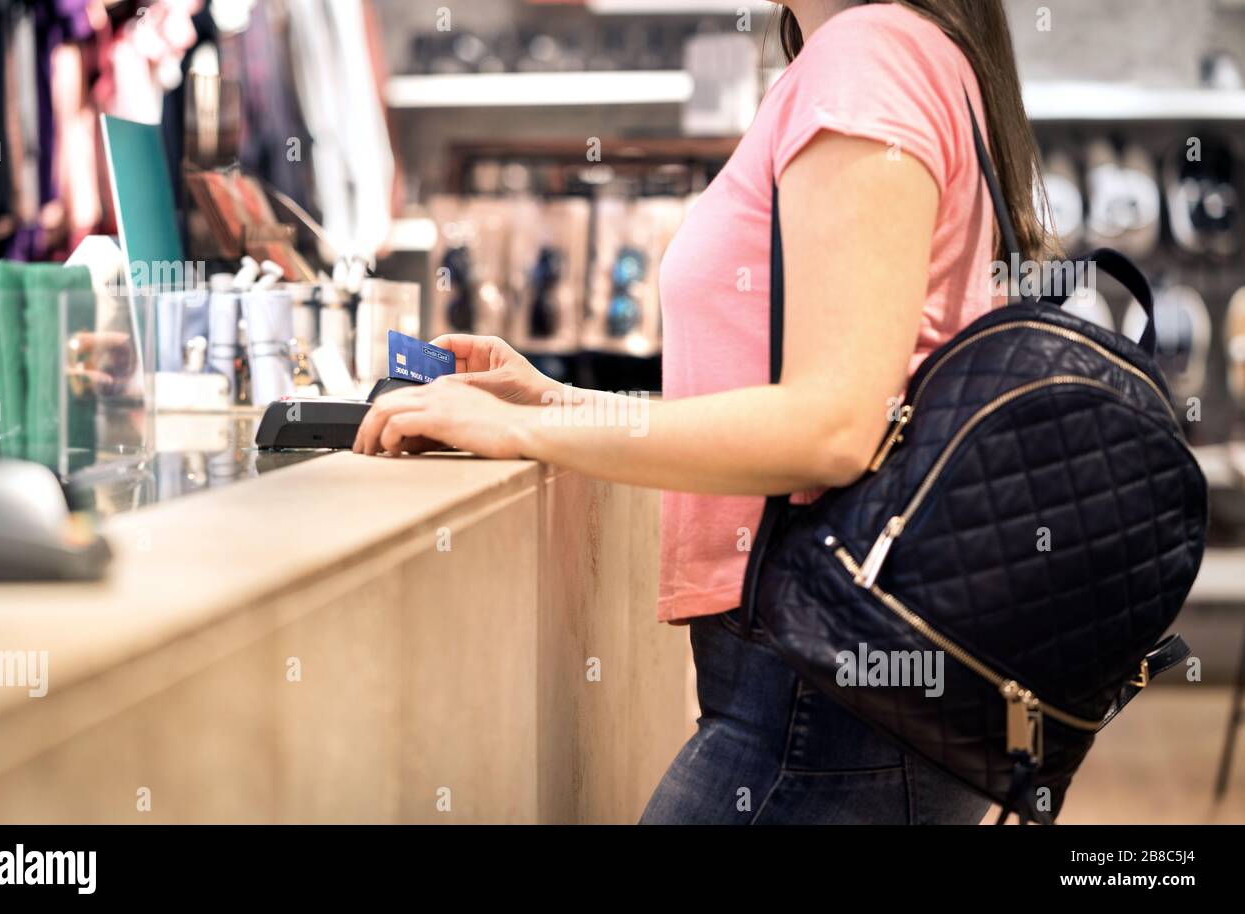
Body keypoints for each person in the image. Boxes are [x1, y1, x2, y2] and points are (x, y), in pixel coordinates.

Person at [353, 0, 1056, 824]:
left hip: (821, 694)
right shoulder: (898, 54)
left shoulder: (868, 59)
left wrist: (531, 430)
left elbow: (831, 429)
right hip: (840, 685)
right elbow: (825, 395)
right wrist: (560, 399)